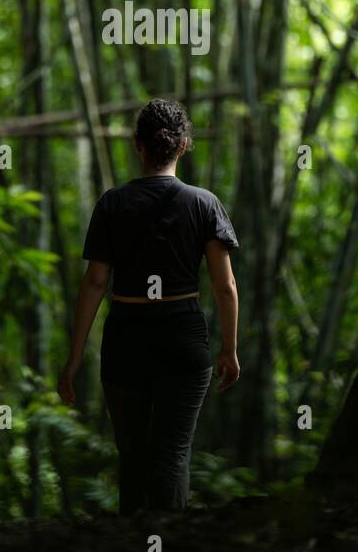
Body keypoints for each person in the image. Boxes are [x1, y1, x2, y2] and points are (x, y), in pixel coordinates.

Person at [57, 97, 241, 516]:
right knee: (173, 454)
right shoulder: (204, 203)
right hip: (183, 336)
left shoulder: (113, 203)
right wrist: (229, 348)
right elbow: (224, 286)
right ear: (182, 146)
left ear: (138, 146)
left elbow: (96, 282)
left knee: (134, 455)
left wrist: (72, 358)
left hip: (127, 337)